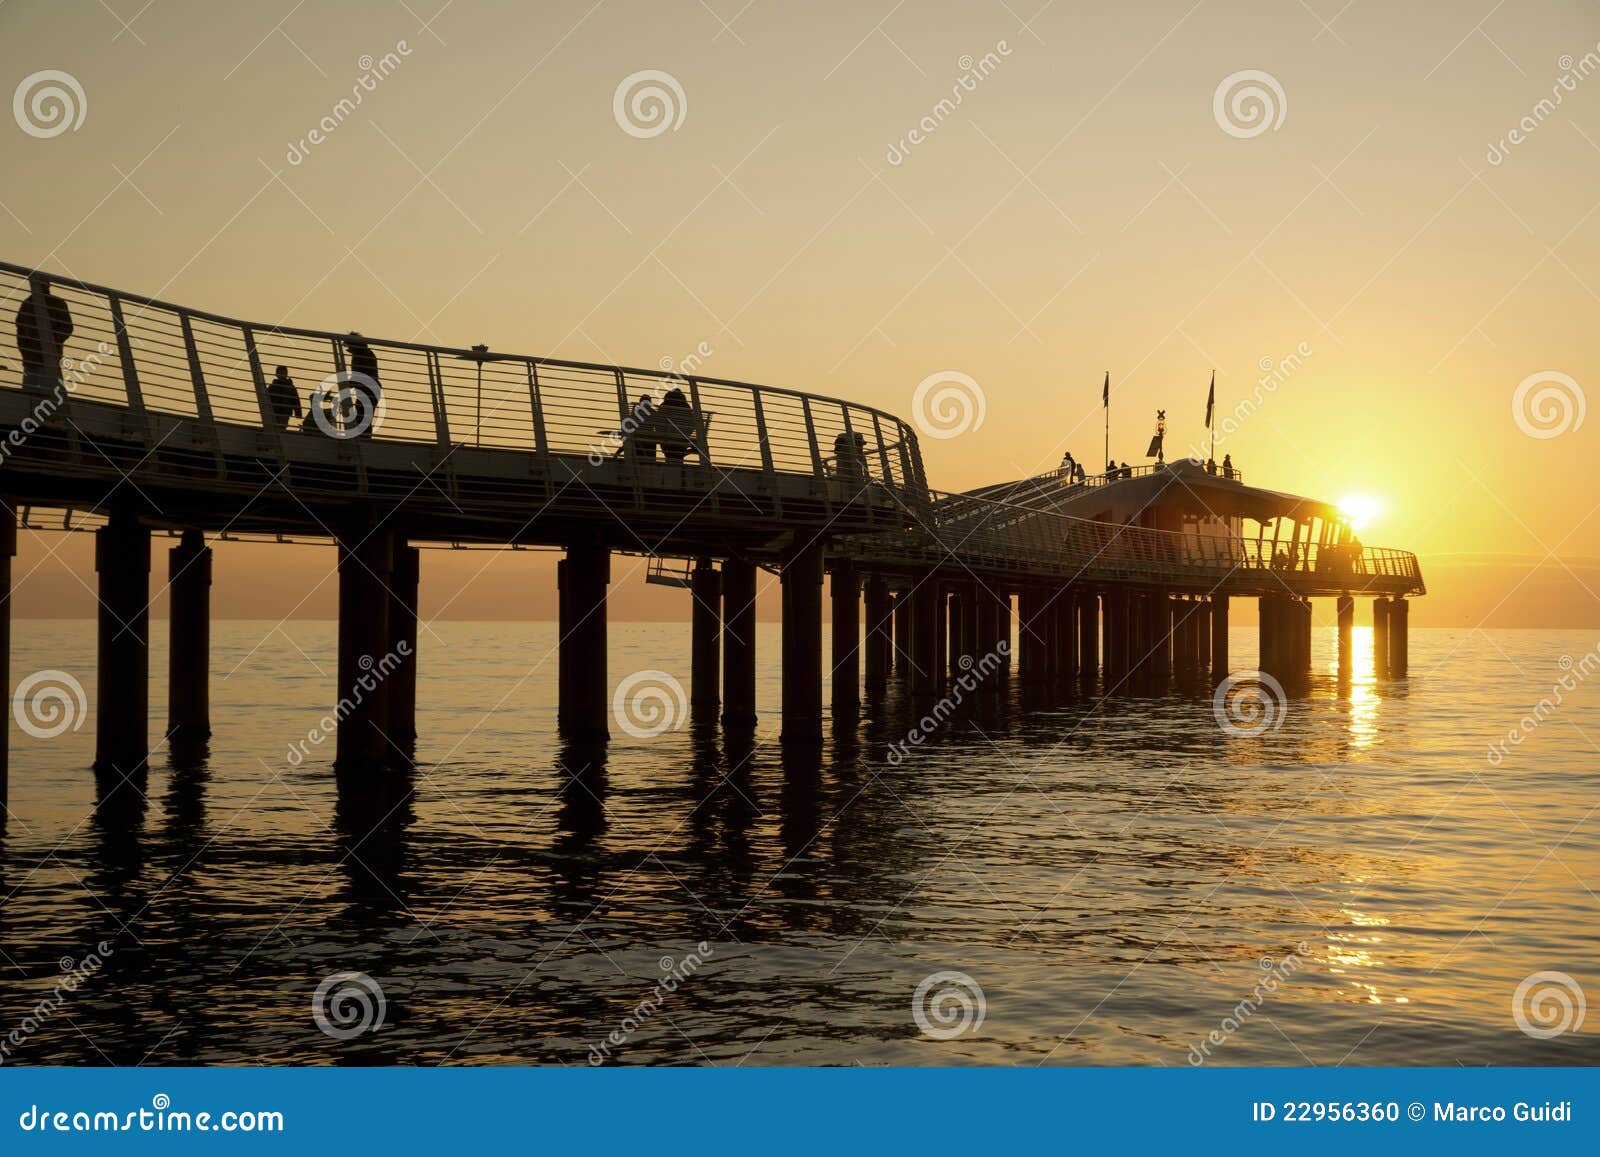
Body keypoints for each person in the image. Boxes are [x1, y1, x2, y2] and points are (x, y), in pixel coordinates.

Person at [14, 277, 74, 396]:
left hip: (47, 356)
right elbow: (20, 328)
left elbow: (67, 328)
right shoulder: (27, 304)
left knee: (49, 393)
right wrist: (24, 348)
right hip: (31, 357)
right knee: (30, 395)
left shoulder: (56, 303)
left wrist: (51, 342)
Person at [342, 332, 381, 436]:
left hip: (368, 390)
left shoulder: (363, 355)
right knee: (362, 418)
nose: (348, 349)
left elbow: (361, 374)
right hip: (366, 389)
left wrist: (348, 383)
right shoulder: (363, 353)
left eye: (349, 345)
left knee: (362, 418)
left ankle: (364, 440)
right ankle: (363, 439)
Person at [658, 386, 694, 461]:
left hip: (667, 442)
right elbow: (691, 426)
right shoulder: (686, 407)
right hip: (682, 441)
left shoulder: (664, 406)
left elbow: (658, 424)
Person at [266, 364, 301, 430]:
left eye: (283, 373)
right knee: (275, 426)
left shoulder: (290, 387)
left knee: (282, 426)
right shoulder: (273, 386)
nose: (282, 375)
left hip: (285, 411)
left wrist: (298, 413)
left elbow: (295, 400)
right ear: (277, 374)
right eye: (280, 373)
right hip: (275, 411)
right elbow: (267, 398)